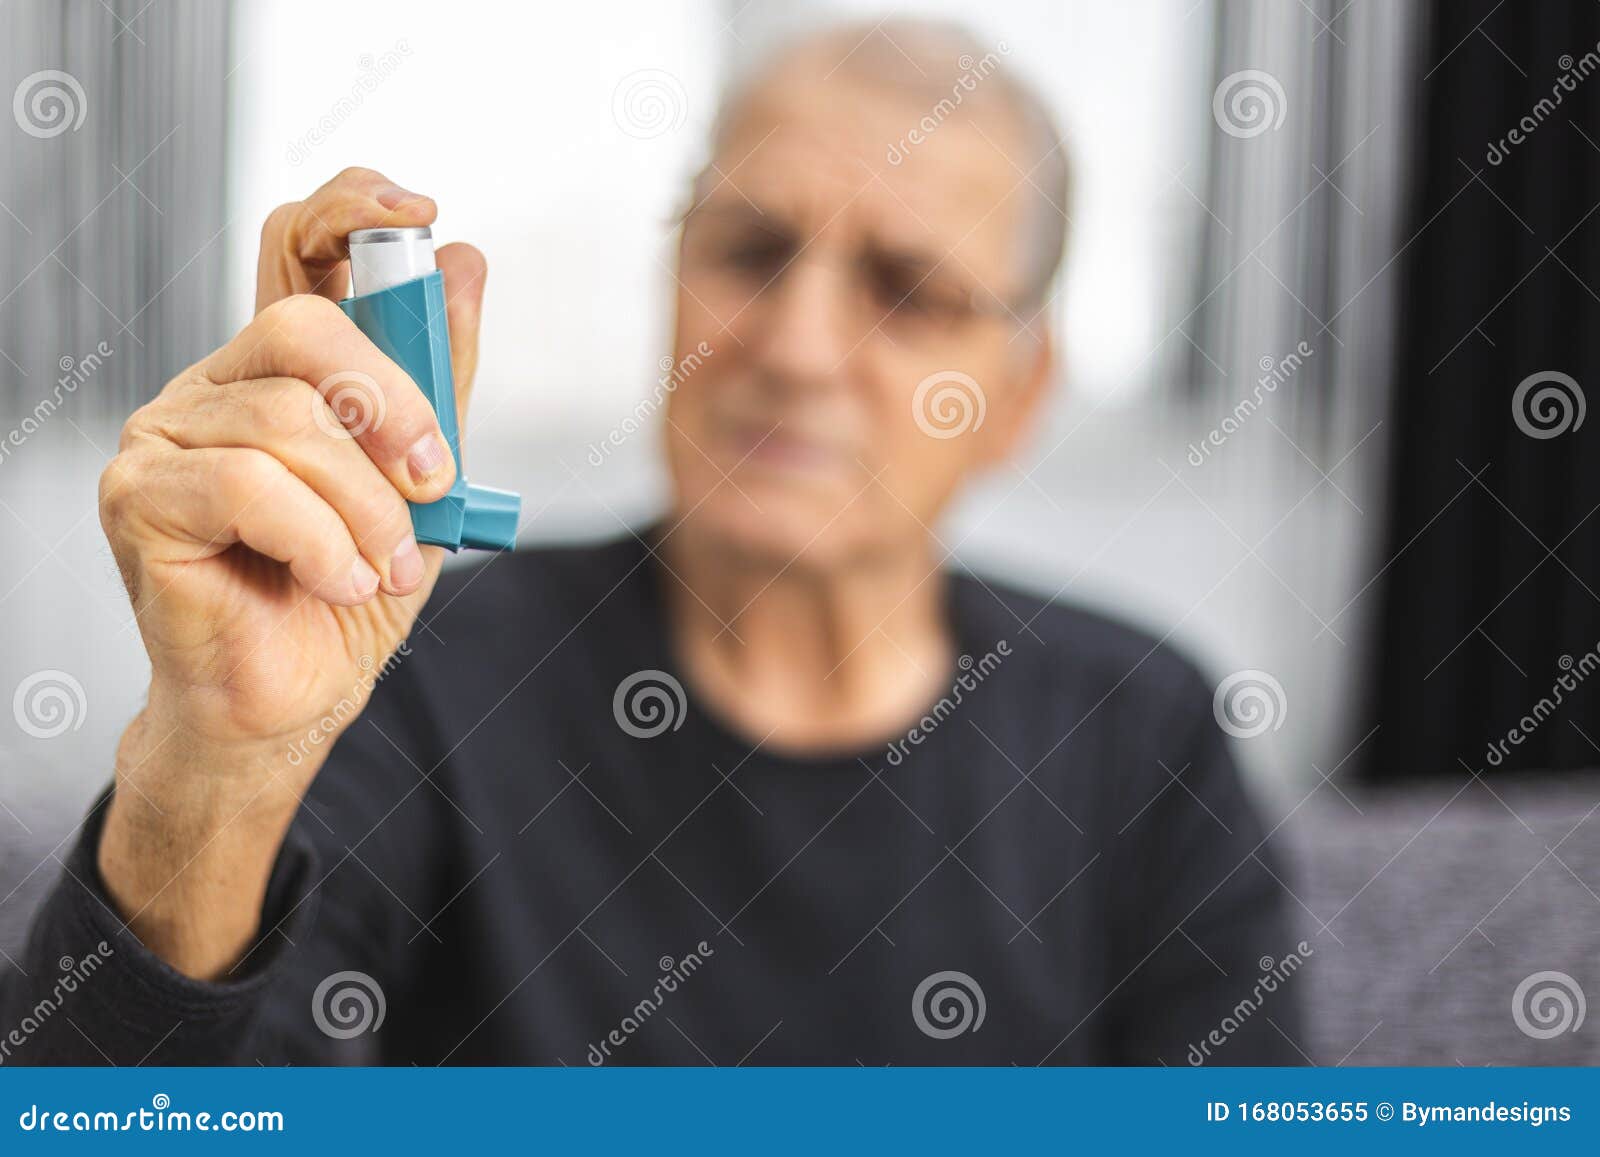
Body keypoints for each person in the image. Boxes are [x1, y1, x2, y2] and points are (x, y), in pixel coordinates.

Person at [0, 20, 1299, 1065]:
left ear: (1018, 395)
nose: (793, 347)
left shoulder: (1144, 731)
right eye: (748, 249)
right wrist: (216, 752)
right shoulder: (426, 673)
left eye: (907, 291)